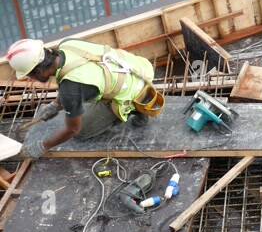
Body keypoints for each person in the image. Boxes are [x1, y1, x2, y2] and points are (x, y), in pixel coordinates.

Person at [5, 38, 164, 159]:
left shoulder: (70, 90)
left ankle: (135, 109)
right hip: (135, 69)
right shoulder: (67, 45)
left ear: (38, 71)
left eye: (30, 75)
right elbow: (73, 77)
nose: (31, 80)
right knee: (83, 94)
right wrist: (55, 105)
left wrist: (42, 146)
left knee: (82, 131)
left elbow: (73, 129)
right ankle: (135, 100)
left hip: (131, 89)